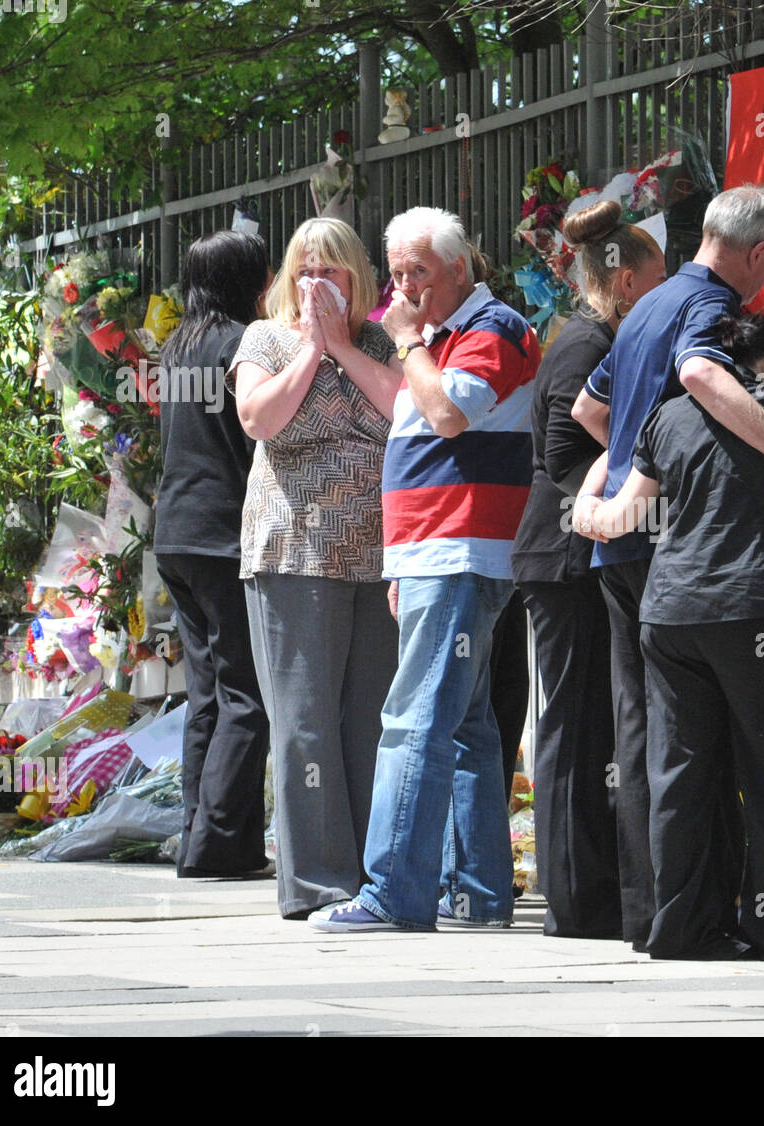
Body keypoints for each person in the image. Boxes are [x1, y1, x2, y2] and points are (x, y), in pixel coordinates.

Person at [569, 184, 764, 949]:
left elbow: (589, 410)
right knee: (721, 749)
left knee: (657, 744)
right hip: (687, 549)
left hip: (625, 546)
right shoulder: (708, 307)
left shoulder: (643, 303)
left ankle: (661, 919)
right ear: (758, 253)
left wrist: (630, 476)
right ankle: (733, 916)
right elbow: (706, 376)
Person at [309, 206, 540, 933]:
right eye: (398, 272)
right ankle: (475, 893)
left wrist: (408, 343)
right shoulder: (439, 338)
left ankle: (394, 895)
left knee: (412, 723)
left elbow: (447, 418)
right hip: (432, 551)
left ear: (461, 268)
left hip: (459, 548)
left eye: (420, 273)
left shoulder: (490, 328)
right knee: (465, 725)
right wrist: (400, 563)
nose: (405, 288)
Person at [231, 217, 403, 920]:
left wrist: (342, 347)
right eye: (306, 269)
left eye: (332, 271)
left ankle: (369, 880)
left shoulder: (379, 342)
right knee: (306, 722)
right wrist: (311, 351)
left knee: (368, 718)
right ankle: (317, 881)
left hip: (374, 550)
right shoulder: (263, 340)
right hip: (295, 549)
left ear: (356, 279)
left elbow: (406, 408)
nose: (318, 283)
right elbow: (258, 419)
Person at [511, 199, 667, 938]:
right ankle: (574, 901)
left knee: (592, 725)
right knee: (573, 729)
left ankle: (592, 889)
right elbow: (559, 454)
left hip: (575, 551)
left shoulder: (595, 334)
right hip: (564, 555)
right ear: (627, 282)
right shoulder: (583, 343)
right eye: (658, 280)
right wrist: (621, 487)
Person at [155, 231, 272, 879]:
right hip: (223, 535)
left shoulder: (179, 349)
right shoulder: (239, 345)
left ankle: (197, 833)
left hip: (175, 534)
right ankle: (220, 846)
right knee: (246, 694)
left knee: (207, 696)